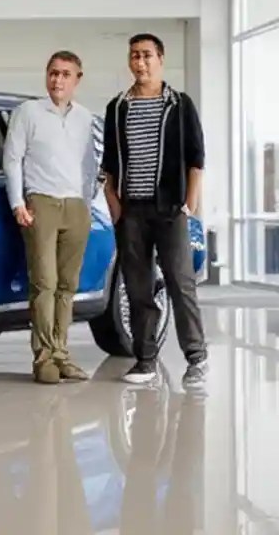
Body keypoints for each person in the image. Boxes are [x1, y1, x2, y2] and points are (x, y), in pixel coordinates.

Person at [100, 33, 208, 389]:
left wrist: (190, 206)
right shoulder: (118, 107)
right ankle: (145, 359)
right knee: (137, 287)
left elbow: (196, 158)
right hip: (131, 211)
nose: (140, 62)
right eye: (134, 56)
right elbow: (110, 163)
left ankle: (196, 358)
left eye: (147, 55)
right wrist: (114, 203)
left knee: (180, 282)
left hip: (170, 209)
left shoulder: (179, 104)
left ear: (161, 59)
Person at [2, 51, 99, 385]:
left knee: (67, 287)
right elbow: (12, 160)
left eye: (65, 74)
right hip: (40, 203)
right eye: (53, 73)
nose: (58, 80)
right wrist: (18, 203)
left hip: (76, 207)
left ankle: (62, 355)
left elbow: (90, 165)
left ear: (77, 79)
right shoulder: (27, 112)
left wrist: (87, 202)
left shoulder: (86, 118)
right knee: (44, 283)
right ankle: (43, 359)